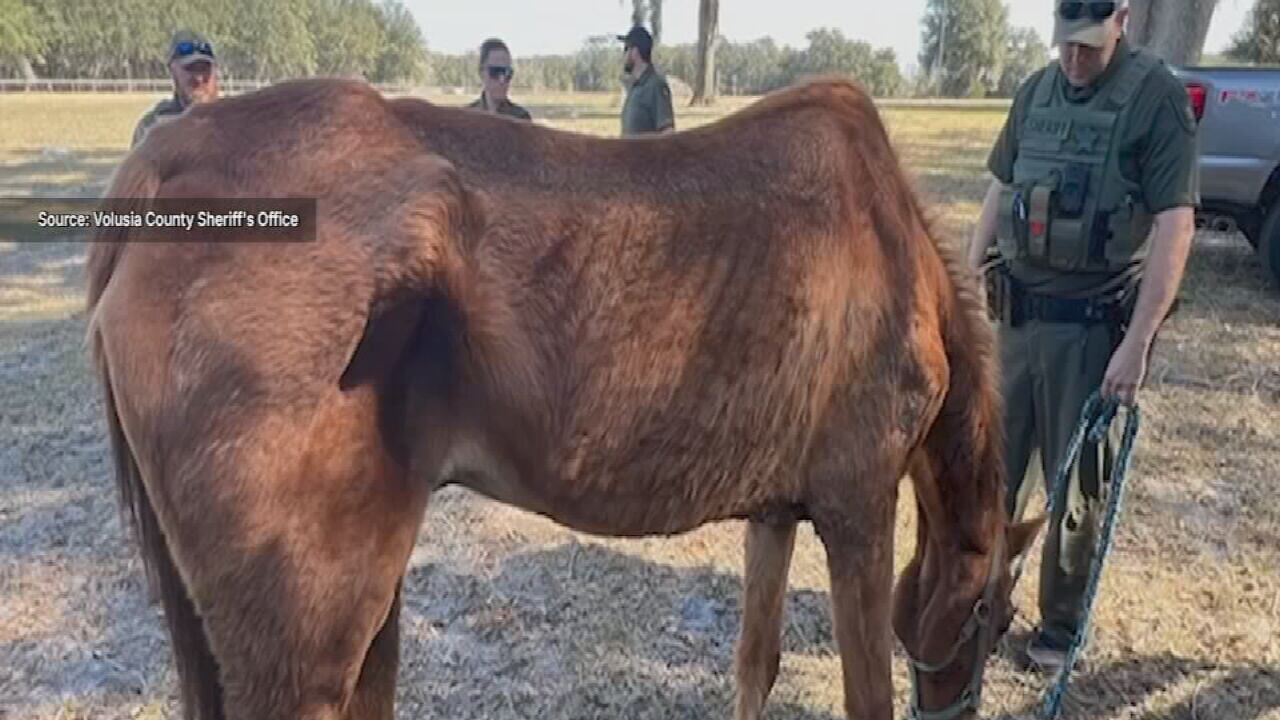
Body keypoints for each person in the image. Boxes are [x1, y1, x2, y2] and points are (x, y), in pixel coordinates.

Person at [967, 0, 1197, 671]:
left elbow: (1175, 224)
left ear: (1122, 19)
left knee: (1075, 493)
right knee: (991, 477)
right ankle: (982, 602)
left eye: (1089, 47)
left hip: (1091, 334)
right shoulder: (1036, 91)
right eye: (1065, 43)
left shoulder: (1156, 99)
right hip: (1015, 321)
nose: (1073, 59)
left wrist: (1139, 343)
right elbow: (1000, 185)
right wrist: (963, 281)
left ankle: (1060, 629)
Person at [132, 30, 221, 148]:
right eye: (190, 69)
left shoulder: (236, 122)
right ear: (173, 71)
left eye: (204, 68)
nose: (199, 78)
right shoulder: (153, 128)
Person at [617, 25, 675, 136]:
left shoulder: (656, 85)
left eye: (626, 49)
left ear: (635, 51)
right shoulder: (635, 87)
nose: (623, 56)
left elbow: (668, 133)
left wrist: (636, 141)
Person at [468, 38, 532, 121]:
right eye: (495, 72)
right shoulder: (467, 118)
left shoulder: (521, 118)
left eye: (507, 73)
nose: (502, 80)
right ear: (481, 73)